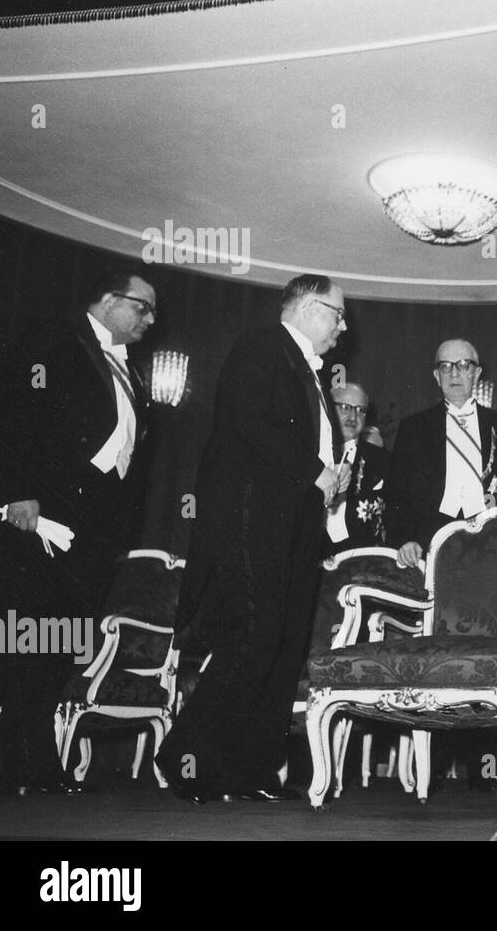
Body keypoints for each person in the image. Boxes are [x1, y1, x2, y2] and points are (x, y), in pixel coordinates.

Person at [158, 274, 350, 803]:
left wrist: (328, 475)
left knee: (286, 643)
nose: (342, 325)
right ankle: (187, 761)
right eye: (337, 313)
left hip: (296, 523)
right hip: (252, 515)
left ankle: (252, 771)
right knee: (257, 633)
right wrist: (317, 470)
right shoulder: (261, 346)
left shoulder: (312, 372)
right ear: (310, 308)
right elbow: (249, 422)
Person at [0, 266, 156, 794]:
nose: (150, 319)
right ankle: (22, 761)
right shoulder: (54, 338)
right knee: (25, 640)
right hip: (43, 516)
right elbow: (12, 412)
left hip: (94, 530)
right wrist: (16, 491)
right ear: (107, 300)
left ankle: (31, 762)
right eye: (141, 306)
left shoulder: (130, 368)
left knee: (62, 645)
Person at [388, 339, 497, 567]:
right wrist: (405, 540)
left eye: (463, 365)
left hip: (493, 541)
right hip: (431, 542)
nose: (454, 373)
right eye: (445, 366)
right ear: (437, 376)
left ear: (476, 373)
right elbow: (396, 493)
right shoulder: (413, 428)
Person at [326, 382, 389, 552]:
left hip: (360, 556)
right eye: (345, 407)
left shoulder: (380, 459)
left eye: (361, 410)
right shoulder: (311, 454)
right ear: (328, 409)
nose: (353, 417)